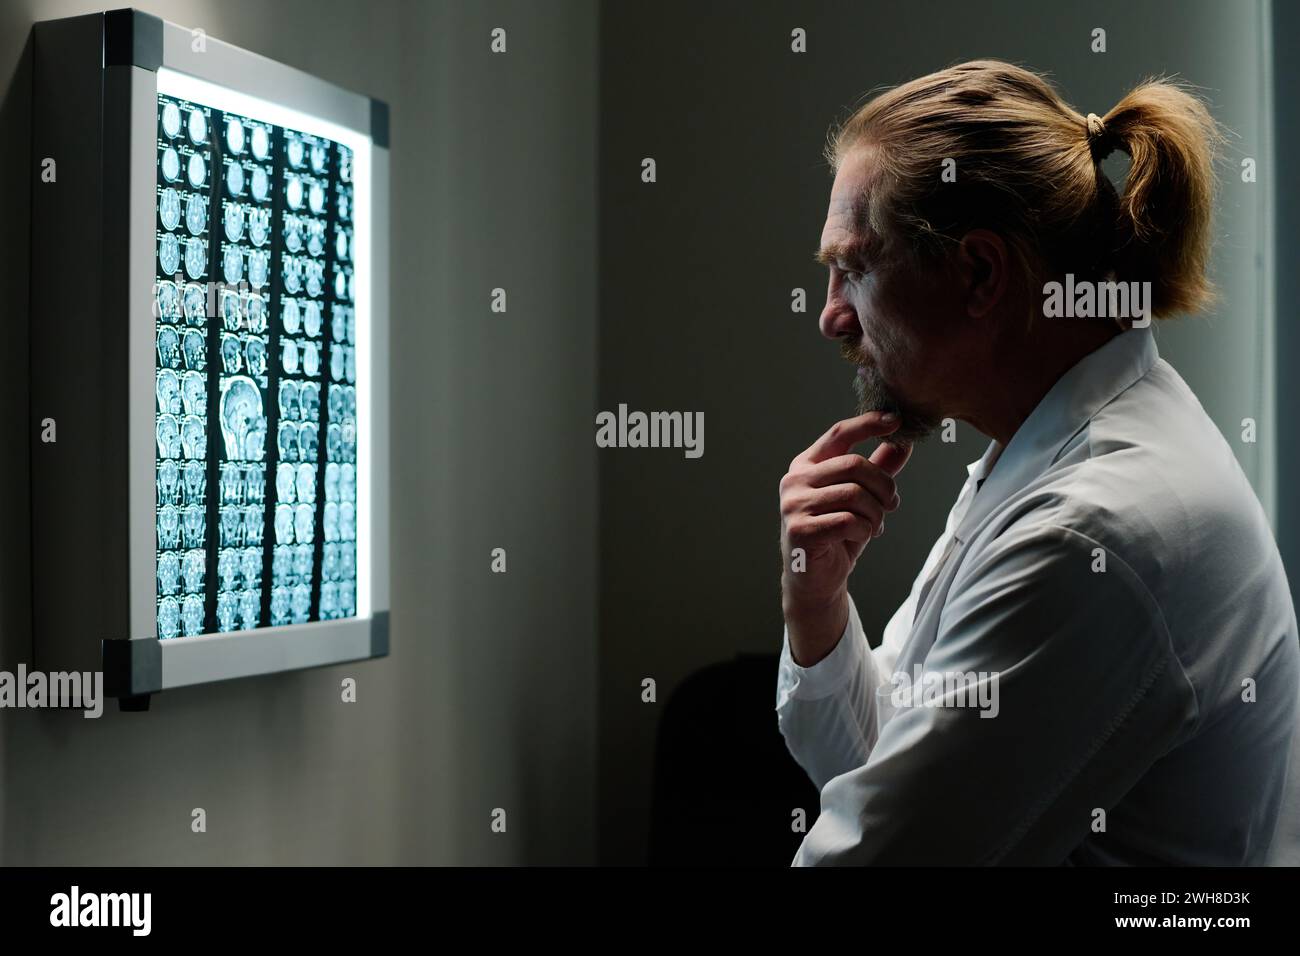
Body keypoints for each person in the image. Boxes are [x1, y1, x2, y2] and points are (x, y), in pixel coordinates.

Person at [775, 60, 1299, 865]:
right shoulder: (1047, 450)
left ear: (980, 272)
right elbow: (890, 771)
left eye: (856, 267)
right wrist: (819, 608)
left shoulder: (1090, 534)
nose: (831, 314)